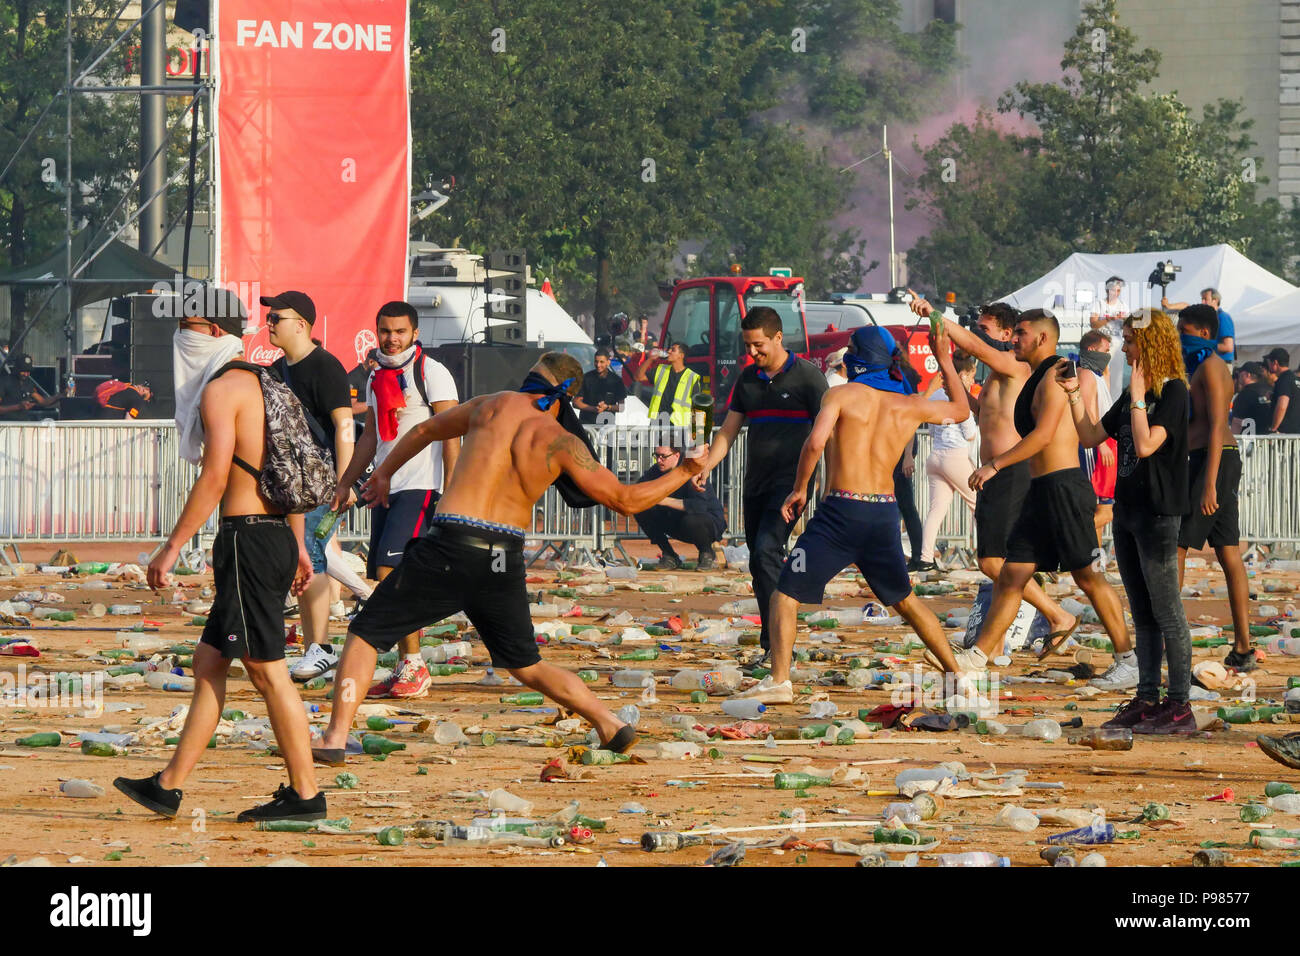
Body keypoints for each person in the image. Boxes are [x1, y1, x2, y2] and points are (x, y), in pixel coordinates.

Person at [309, 353, 706, 764]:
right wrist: (684, 470)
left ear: (530, 377)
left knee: (367, 631)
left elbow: (425, 429)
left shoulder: (491, 404)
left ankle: (335, 736)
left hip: (451, 543)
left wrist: (384, 472)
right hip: (503, 557)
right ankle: (609, 723)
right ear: (566, 399)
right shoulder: (562, 441)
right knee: (525, 665)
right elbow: (625, 500)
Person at [114, 288, 322, 822]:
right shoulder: (264, 383)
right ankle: (167, 785)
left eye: (193, 325)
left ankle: (306, 795)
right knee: (210, 661)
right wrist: (298, 546)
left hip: (248, 538)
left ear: (216, 333)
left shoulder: (223, 388)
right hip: (268, 534)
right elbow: (287, 471)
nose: (184, 335)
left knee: (267, 668)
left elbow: (215, 475)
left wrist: (171, 547)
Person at [733, 323, 973, 704]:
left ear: (857, 359)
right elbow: (961, 410)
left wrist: (799, 489)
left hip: (841, 513)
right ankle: (958, 677)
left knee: (784, 593)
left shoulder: (841, 395)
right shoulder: (909, 405)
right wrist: (943, 358)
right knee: (906, 601)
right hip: (883, 513)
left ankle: (780, 679)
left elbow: (814, 443)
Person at [965, 309, 1135, 683]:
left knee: (1088, 576)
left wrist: (994, 465)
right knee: (1011, 574)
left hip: (1064, 487)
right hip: (1038, 489)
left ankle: (1128, 659)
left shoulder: (1058, 372)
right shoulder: (1033, 376)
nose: (1014, 340)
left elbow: (1043, 435)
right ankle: (977, 658)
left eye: (1021, 334)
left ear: (1043, 338)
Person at [1059, 310, 1195, 734]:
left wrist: (1138, 397)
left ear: (1152, 344)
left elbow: (1146, 443)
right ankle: (1147, 696)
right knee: (1143, 612)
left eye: (1133, 341)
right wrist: (1072, 394)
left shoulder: (1172, 392)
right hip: (1128, 509)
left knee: (1167, 610)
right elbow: (1090, 436)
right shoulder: (1131, 391)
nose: (1126, 349)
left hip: (1158, 512)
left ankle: (1179, 705)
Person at [921, 301, 1078, 661]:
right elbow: (973, 412)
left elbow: (974, 346)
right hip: (993, 472)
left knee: (995, 563)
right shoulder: (993, 375)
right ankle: (988, 648)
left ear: (1007, 335)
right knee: (1001, 563)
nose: (978, 334)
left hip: (1008, 470)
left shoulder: (1012, 364)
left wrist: (934, 314)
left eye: (985, 329)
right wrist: (943, 358)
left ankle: (1055, 616)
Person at [330, 301, 460, 699]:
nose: (392, 338)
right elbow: (371, 438)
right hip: (386, 485)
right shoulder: (375, 378)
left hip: (421, 486)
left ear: (415, 333)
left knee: (391, 571)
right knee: (387, 577)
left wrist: (452, 491)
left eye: (400, 331)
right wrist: (345, 483)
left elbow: (451, 433)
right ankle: (407, 662)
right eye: (385, 330)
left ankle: (414, 666)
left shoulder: (432, 373)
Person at [703, 307, 828, 661]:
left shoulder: (808, 378)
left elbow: (828, 434)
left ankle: (778, 646)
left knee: (766, 552)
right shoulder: (747, 379)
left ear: (777, 337)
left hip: (790, 486)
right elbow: (728, 430)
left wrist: (825, 484)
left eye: (758, 345)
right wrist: (708, 466)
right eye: (747, 346)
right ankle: (772, 638)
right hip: (754, 484)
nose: (752, 352)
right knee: (759, 564)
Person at [259, 290, 356, 684]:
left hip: (320, 481)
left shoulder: (326, 367)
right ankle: (312, 647)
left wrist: (344, 482)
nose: (269, 323)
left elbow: (344, 426)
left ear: (301, 324)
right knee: (297, 557)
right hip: (289, 483)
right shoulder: (276, 369)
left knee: (311, 555)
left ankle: (321, 648)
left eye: (276, 317)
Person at [1176, 305, 1254, 672]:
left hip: (1214, 461)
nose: (1180, 335)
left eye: (1185, 329)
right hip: (1213, 460)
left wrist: (1209, 485)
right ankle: (1243, 647)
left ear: (1204, 333)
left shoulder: (1213, 367)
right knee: (1227, 551)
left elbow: (1218, 427)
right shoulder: (1199, 369)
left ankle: (1167, 638)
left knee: (1175, 546)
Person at [918, 349, 977, 569]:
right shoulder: (960, 397)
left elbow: (931, 429)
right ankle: (992, 554)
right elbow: (970, 433)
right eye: (971, 375)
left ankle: (925, 558)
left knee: (936, 509)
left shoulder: (934, 396)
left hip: (935, 456)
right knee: (978, 505)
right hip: (956, 456)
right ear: (962, 375)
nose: (972, 380)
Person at [633, 445, 726, 570]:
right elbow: (640, 488)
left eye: (663, 456)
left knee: (693, 520)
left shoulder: (691, 469)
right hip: (677, 521)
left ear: (677, 455)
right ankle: (669, 555)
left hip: (707, 523)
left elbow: (699, 506)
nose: (659, 460)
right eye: (656, 456)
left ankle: (706, 553)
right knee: (641, 508)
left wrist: (664, 500)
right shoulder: (656, 470)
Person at [1077, 330, 1117, 550]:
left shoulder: (1098, 374)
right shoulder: (1085, 374)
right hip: (1095, 444)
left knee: (1101, 508)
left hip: (1105, 441)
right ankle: (1067, 541)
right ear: (1091, 350)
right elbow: (1086, 410)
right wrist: (1100, 444)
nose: (1108, 354)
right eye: (1105, 350)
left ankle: (1095, 563)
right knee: (1104, 510)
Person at [1163, 287, 1236, 364]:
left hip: (1221, 363)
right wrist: (1169, 306)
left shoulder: (1223, 317)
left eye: (1205, 299)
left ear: (1215, 300)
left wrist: (1202, 344)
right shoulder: (1208, 317)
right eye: (1202, 299)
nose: (1202, 302)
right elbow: (1188, 306)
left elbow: (1228, 347)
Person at [1089, 276, 1130, 398]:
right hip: (1101, 343)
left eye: (1118, 291)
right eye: (1113, 290)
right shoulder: (1099, 304)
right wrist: (1108, 318)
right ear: (1107, 290)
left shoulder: (1123, 306)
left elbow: (1127, 327)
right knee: (1100, 372)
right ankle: (1100, 400)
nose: (1116, 293)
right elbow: (1093, 323)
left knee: (1117, 376)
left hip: (1117, 344)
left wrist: (1124, 320)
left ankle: (1114, 402)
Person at [645, 342, 700, 428]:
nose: (669, 351)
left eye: (673, 350)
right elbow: (638, 377)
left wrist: (698, 435)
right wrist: (650, 359)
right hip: (657, 422)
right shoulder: (661, 370)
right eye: (669, 349)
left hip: (678, 426)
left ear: (681, 356)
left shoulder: (692, 377)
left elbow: (698, 408)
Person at [574, 348, 627, 425]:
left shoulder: (616, 381)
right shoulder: (586, 378)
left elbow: (621, 407)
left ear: (608, 362)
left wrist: (607, 407)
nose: (598, 365)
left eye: (602, 362)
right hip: (586, 426)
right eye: (596, 361)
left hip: (607, 429)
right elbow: (576, 402)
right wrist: (594, 409)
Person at [0, 353, 60, 420]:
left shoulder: (28, 383)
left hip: (24, 425)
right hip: (6, 425)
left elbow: (43, 401)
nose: (26, 374)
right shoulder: (4, 382)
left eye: (28, 371)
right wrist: (18, 407)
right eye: (23, 371)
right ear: (16, 369)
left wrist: (59, 396)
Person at [1230, 362, 1274, 435]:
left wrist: (1232, 443)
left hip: (1250, 440)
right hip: (1270, 439)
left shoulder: (1245, 394)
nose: (1239, 375)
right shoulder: (1271, 389)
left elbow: (1237, 422)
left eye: (1241, 373)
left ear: (1248, 375)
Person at [1264, 348, 1300, 434]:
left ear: (1275, 363)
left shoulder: (1284, 379)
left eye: (1269, 361)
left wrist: (1273, 428)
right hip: (1296, 432)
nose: (1268, 364)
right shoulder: (1294, 379)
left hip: (1284, 433)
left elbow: (1282, 405)